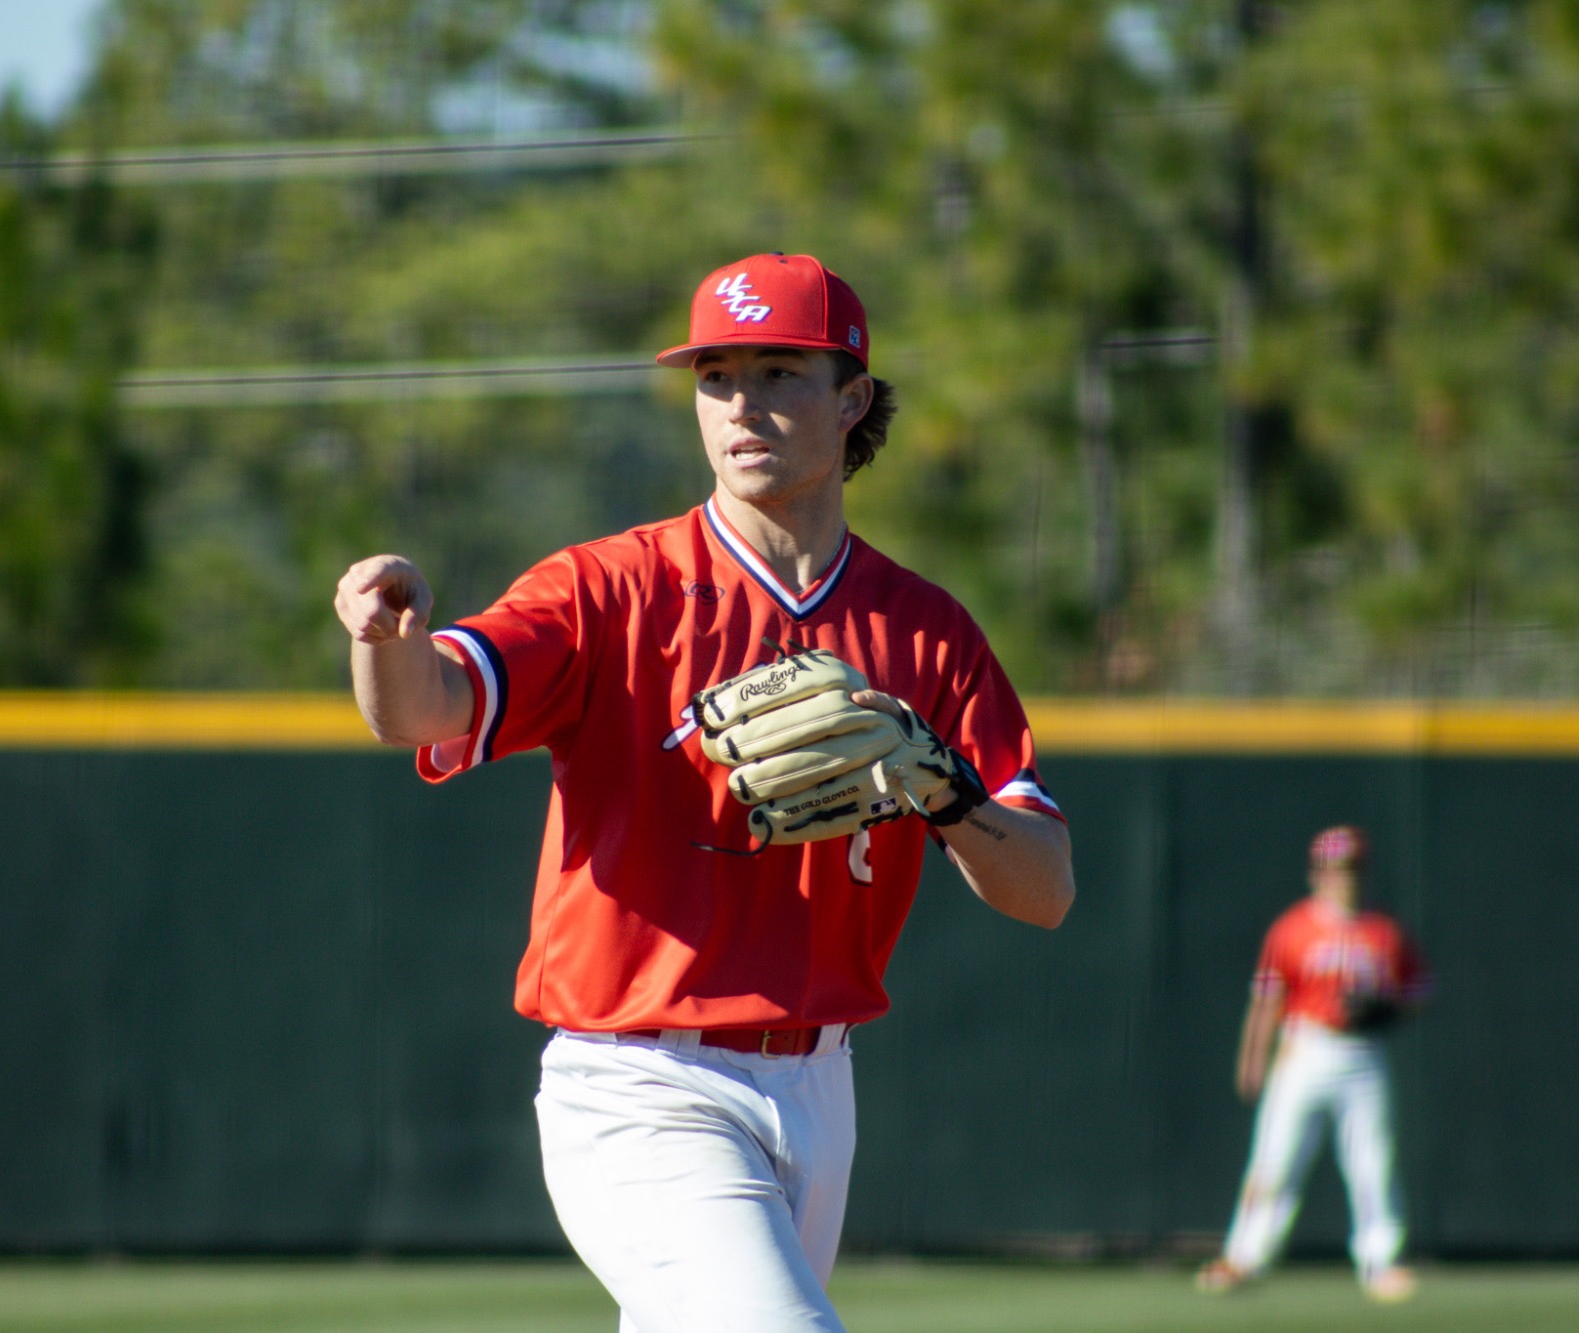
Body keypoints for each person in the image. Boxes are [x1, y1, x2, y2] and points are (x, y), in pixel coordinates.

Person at [333, 252, 1074, 1332]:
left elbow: (1043, 889)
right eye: (715, 375)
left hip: (821, 1086)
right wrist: (384, 639)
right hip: (641, 1079)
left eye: (779, 372)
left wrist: (942, 790)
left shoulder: (924, 631)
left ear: (851, 398)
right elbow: (426, 709)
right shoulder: (607, 588)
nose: (743, 404)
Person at [1196, 825, 1430, 1304]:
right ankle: (1243, 1257)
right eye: (1334, 868)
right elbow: (1266, 1001)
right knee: (1274, 1160)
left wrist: (1388, 1009)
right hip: (1304, 1050)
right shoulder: (1293, 928)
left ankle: (1381, 1261)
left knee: (1373, 1164)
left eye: (1351, 868)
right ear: (1317, 873)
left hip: (1362, 1055)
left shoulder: (1383, 931)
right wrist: (1252, 1058)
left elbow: (1418, 992)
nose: (1343, 877)